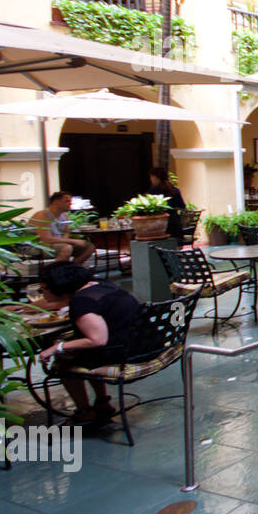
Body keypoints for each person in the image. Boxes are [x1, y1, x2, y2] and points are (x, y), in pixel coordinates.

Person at [33, 261, 141, 427]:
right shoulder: (101, 285)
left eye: (44, 289)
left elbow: (97, 340)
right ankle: (102, 402)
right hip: (140, 343)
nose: (43, 293)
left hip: (122, 354)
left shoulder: (81, 302)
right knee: (81, 352)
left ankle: (84, 412)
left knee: (64, 362)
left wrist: (56, 348)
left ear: (60, 287)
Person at [30, 191, 94, 265]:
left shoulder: (64, 215)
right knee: (66, 248)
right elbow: (45, 239)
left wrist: (65, 240)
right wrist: (73, 241)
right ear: (56, 202)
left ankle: (72, 268)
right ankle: (55, 273)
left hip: (57, 244)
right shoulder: (42, 215)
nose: (70, 204)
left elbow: (66, 232)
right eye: (67, 201)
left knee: (89, 247)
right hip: (39, 245)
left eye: (70, 201)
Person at [146, 167, 187, 240]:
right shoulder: (174, 190)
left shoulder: (153, 192)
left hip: (160, 226)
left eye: (151, 177)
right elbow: (182, 206)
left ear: (155, 177)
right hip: (175, 224)